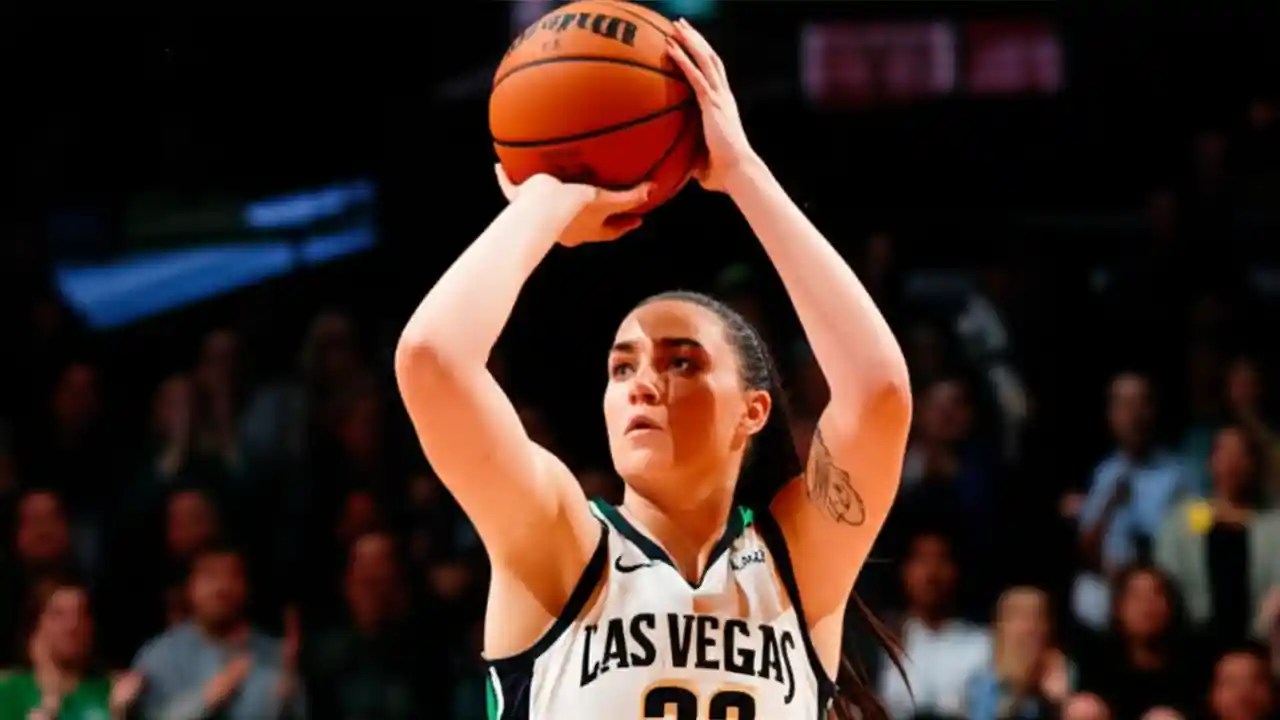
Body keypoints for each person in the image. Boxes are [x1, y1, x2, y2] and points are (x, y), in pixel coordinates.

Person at [394, 19, 911, 720]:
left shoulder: (797, 569)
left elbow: (878, 392)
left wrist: (744, 175)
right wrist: (548, 198)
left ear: (753, 411)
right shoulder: (561, 545)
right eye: (621, 366)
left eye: (683, 361)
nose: (643, 381)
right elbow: (432, 362)